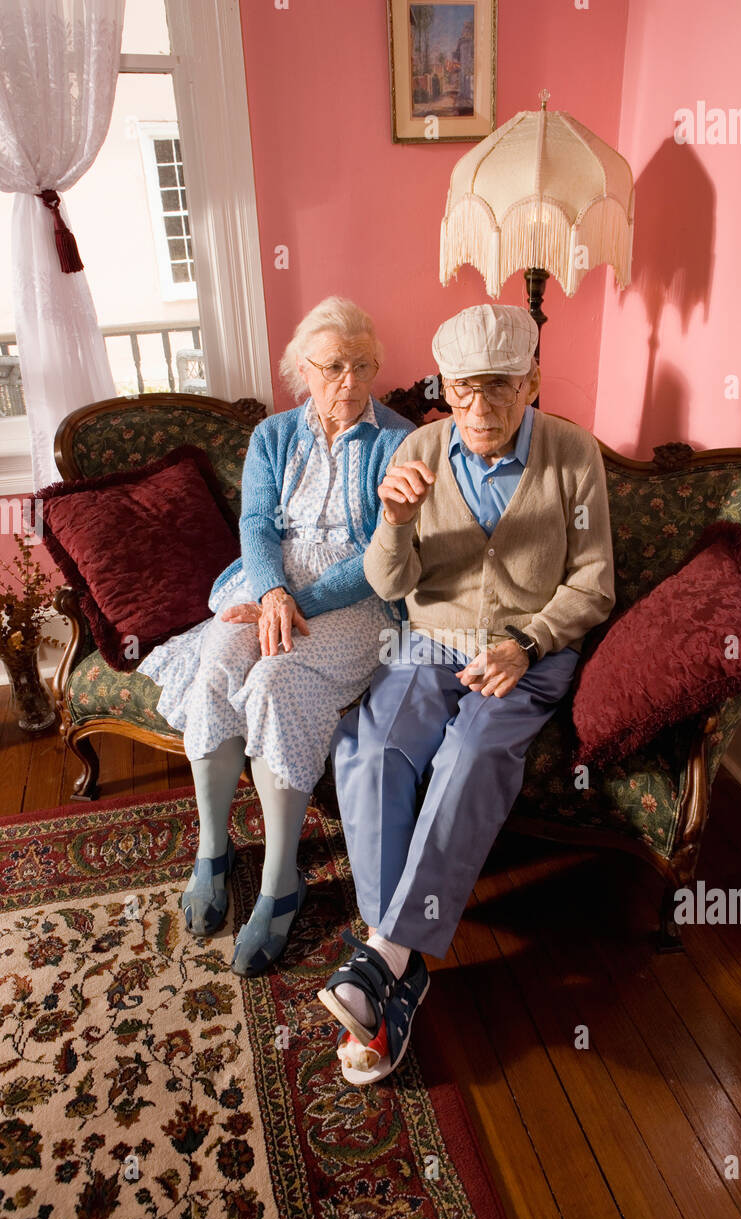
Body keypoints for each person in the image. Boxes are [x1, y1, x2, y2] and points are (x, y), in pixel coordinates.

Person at [319, 303, 616, 1084]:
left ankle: (380, 963)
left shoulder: (572, 455)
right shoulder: (418, 447)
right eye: (461, 390)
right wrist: (392, 519)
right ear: (442, 385)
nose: (479, 409)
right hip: (428, 639)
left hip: (529, 649)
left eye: (498, 388)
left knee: (471, 752)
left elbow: (594, 584)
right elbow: (390, 581)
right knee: (370, 747)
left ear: (533, 382)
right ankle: (399, 971)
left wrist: (525, 643)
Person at [138, 297, 413, 976]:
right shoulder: (274, 434)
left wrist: (300, 604)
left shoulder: (401, 441)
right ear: (302, 370)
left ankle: (280, 881)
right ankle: (213, 849)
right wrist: (271, 595)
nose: (349, 382)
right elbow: (257, 522)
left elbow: (382, 552)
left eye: (362, 366)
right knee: (216, 668)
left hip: (354, 599)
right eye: (333, 367)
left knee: (276, 680)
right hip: (267, 588)